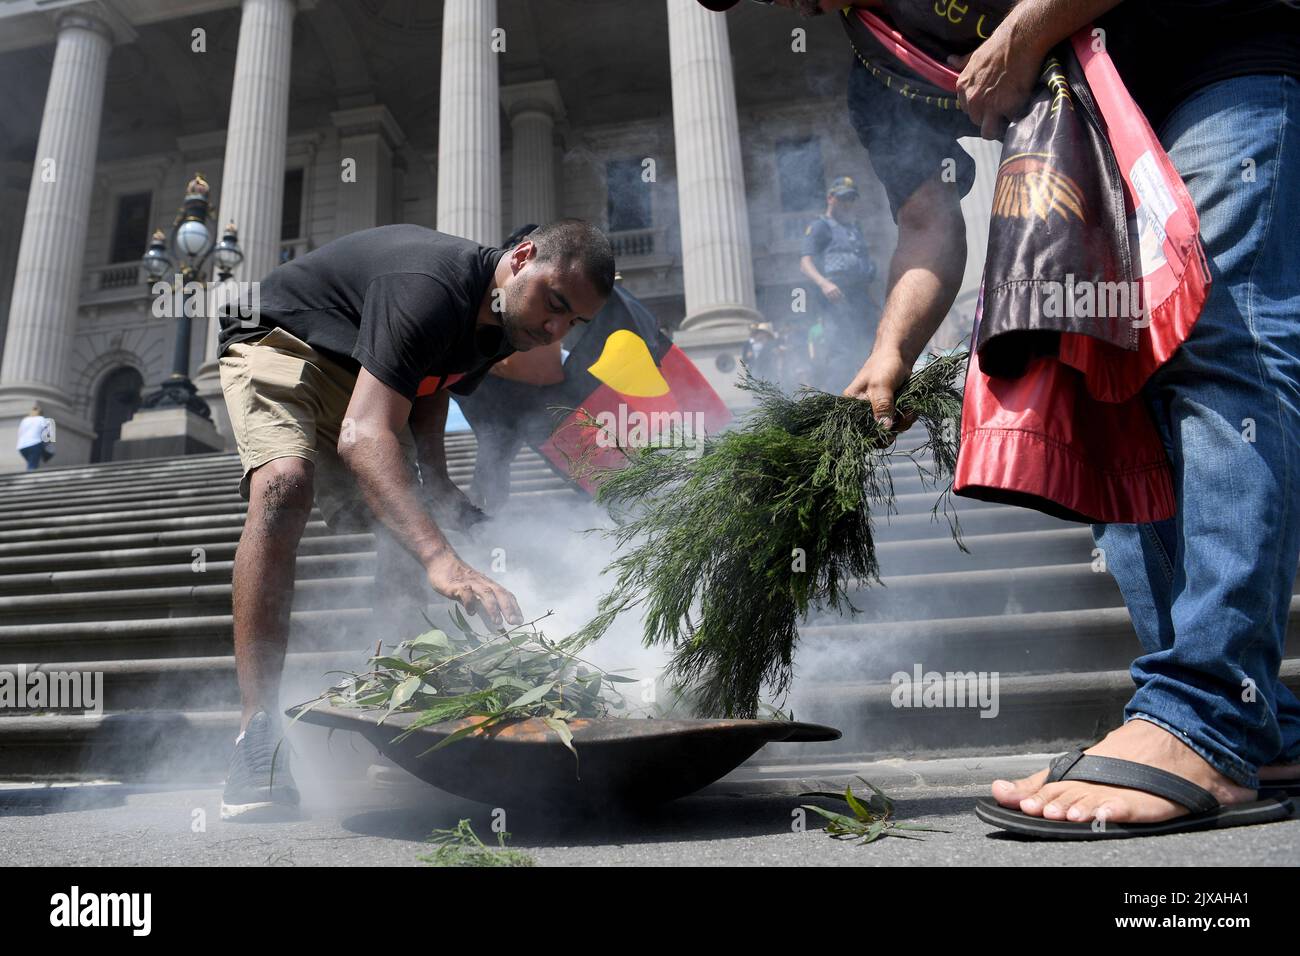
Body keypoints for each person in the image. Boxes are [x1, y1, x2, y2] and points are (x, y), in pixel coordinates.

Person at [698, 0, 1300, 837]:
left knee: (1213, 347)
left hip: (1214, 63)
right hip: (1097, 146)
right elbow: (925, 219)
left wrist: (1025, 30)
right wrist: (888, 353)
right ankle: (1249, 717)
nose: (790, 5)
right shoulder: (879, 64)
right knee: (1107, 389)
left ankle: (1204, 716)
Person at [214, 219, 613, 820]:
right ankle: (257, 735)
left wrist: (438, 478)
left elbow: (432, 383)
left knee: (404, 523)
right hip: (281, 343)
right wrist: (440, 558)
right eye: (555, 303)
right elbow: (363, 433)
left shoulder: (507, 322)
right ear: (523, 256)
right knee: (283, 487)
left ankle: (390, 717)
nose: (554, 330)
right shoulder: (428, 285)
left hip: (360, 374)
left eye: (572, 322)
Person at [799, 175, 878, 390]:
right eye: (843, 198)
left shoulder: (855, 228)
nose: (847, 203)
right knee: (842, 350)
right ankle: (838, 402)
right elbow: (805, 263)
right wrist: (824, 284)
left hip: (860, 297)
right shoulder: (820, 227)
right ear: (831, 198)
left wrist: (871, 298)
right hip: (837, 298)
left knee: (873, 344)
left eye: (851, 198)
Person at [15, 403, 52, 471]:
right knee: (32, 465)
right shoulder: (41, 419)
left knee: (31, 463)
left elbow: (19, 433)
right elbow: (46, 434)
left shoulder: (25, 420)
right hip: (34, 444)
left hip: (22, 446)